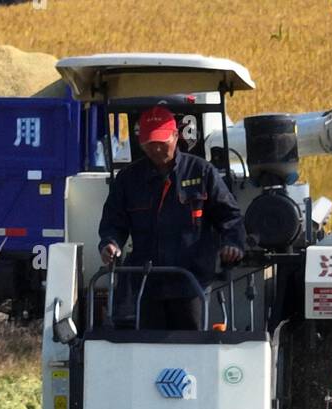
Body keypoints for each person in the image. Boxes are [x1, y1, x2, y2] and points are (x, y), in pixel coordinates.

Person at [97, 105, 246, 330]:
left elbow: (230, 216)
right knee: (150, 349)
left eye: (161, 142)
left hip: (191, 282)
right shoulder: (128, 180)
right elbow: (113, 222)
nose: (156, 149)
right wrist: (110, 243)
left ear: (176, 136)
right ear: (141, 142)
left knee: (191, 347)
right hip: (147, 282)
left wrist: (233, 244)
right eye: (150, 143)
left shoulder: (201, 172)